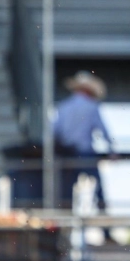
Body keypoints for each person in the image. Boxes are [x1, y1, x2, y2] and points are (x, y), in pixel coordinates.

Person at [53, 72, 113, 208]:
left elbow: (54, 132)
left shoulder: (63, 107)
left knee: (66, 193)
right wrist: (112, 150)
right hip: (85, 154)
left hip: (67, 154)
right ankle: (104, 221)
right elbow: (103, 130)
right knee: (98, 188)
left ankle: (65, 221)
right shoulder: (92, 107)